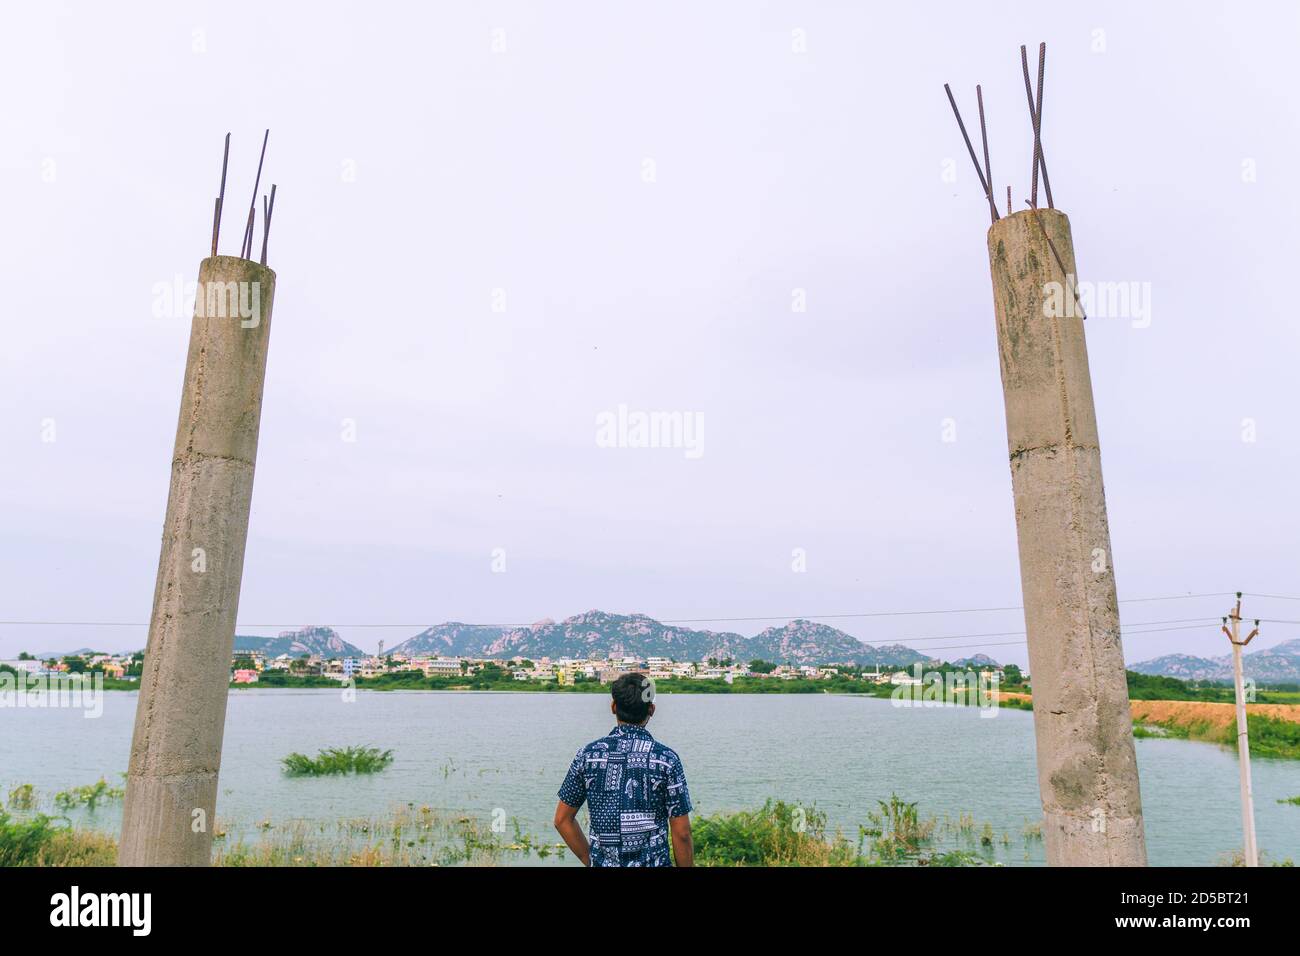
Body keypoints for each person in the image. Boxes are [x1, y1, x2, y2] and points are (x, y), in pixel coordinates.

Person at [553, 672, 693, 867]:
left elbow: (562, 820)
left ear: (613, 707)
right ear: (651, 709)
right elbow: (682, 833)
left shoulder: (588, 756)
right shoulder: (666, 760)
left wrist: (591, 860)